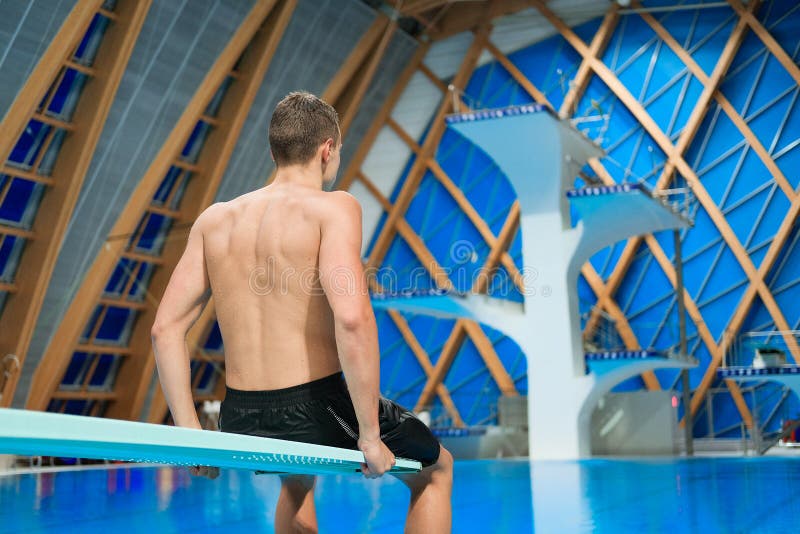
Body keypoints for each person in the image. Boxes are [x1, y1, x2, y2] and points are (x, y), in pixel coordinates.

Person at [151, 91, 454, 533]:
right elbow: (351, 318)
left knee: (296, 479)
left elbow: (165, 329)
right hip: (316, 409)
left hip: (240, 416)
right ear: (327, 149)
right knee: (437, 470)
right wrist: (370, 435)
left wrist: (189, 434)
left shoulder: (214, 220)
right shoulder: (334, 207)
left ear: (274, 150)